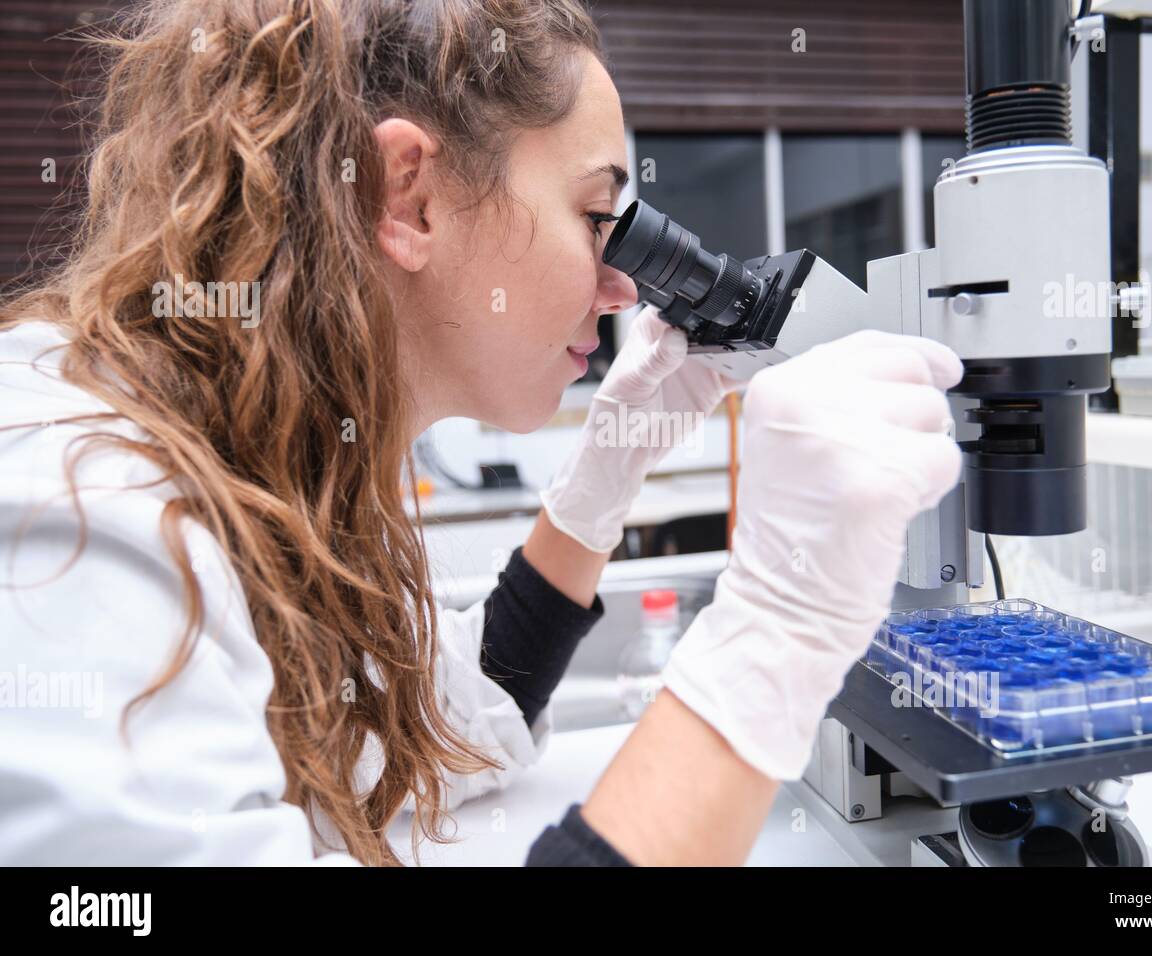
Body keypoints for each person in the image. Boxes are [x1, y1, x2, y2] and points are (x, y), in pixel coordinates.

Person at [0, 0, 962, 866]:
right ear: (409, 198)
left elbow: (437, 724)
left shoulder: (277, 467)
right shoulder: (76, 516)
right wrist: (774, 639)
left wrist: (604, 479)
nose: (626, 284)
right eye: (598, 218)